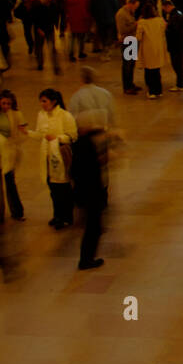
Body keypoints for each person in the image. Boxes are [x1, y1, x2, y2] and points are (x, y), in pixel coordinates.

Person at [30, 88, 77, 228]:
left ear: (54, 101)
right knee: (53, 190)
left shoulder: (65, 116)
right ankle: (57, 215)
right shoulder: (41, 115)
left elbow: (72, 136)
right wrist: (27, 132)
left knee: (63, 189)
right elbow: (40, 134)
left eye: (45, 101)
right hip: (47, 156)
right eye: (41, 101)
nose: (42, 104)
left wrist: (57, 138)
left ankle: (67, 217)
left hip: (60, 157)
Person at [70, 124, 109, 269]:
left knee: (93, 227)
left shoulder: (81, 144)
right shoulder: (86, 147)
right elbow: (91, 173)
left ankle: (87, 258)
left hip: (84, 194)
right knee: (93, 228)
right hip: (90, 194)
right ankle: (86, 260)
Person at [0, 89, 26, 221]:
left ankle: (17, 211)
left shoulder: (17, 114)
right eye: (3, 103)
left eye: (8, 104)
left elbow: (22, 133)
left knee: (10, 182)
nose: (5, 106)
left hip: (9, 152)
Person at [67, 66, 117, 134]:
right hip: (103, 129)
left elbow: (72, 118)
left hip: (85, 132)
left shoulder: (77, 96)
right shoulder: (105, 93)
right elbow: (111, 114)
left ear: (82, 79)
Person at [136, 2, 168, 98]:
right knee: (157, 70)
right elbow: (163, 31)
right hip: (158, 47)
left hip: (147, 48)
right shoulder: (160, 20)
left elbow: (138, 37)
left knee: (149, 71)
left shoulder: (142, 22)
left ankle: (151, 91)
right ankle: (159, 90)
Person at [161, 0, 183, 92]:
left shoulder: (175, 16)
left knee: (177, 65)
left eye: (164, 9)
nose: (164, 11)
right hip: (179, 44)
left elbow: (175, 31)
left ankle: (181, 84)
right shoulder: (177, 14)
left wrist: (166, 27)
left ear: (167, 6)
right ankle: (181, 83)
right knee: (178, 65)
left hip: (176, 45)